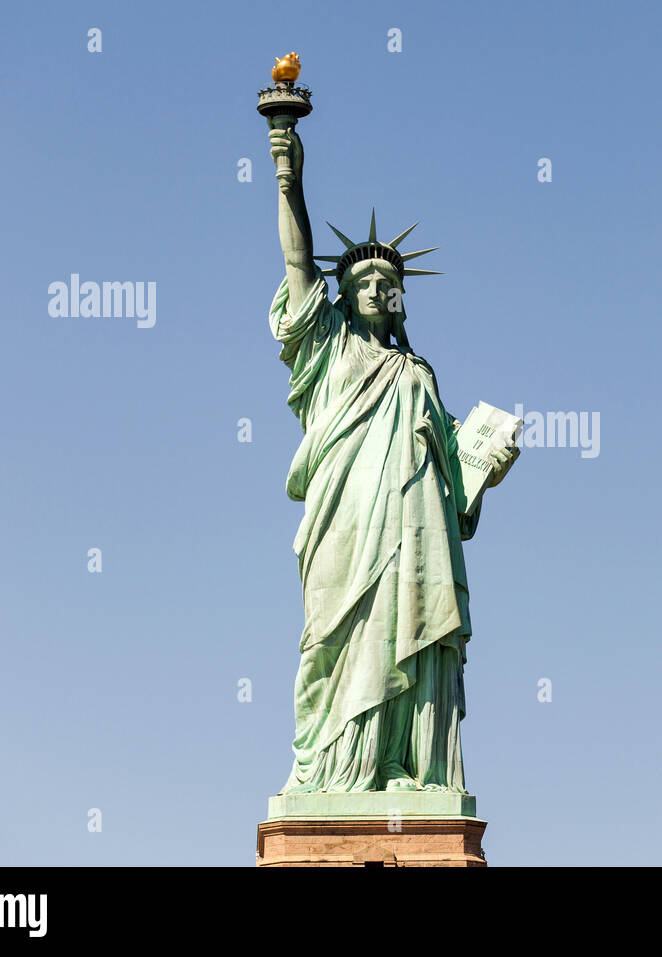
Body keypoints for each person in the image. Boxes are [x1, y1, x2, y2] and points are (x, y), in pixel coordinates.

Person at [266, 124, 517, 793]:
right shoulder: (329, 354)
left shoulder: (420, 374)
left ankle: (401, 765)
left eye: (388, 281)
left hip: (414, 530)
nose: (378, 289)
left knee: (411, 626)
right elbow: (298, 266)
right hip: (345, 526)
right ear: (343, 294)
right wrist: (288, 172)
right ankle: (336, 772)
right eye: (365, 279)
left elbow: (453, 489)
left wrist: (485, 470)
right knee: (336, 640)